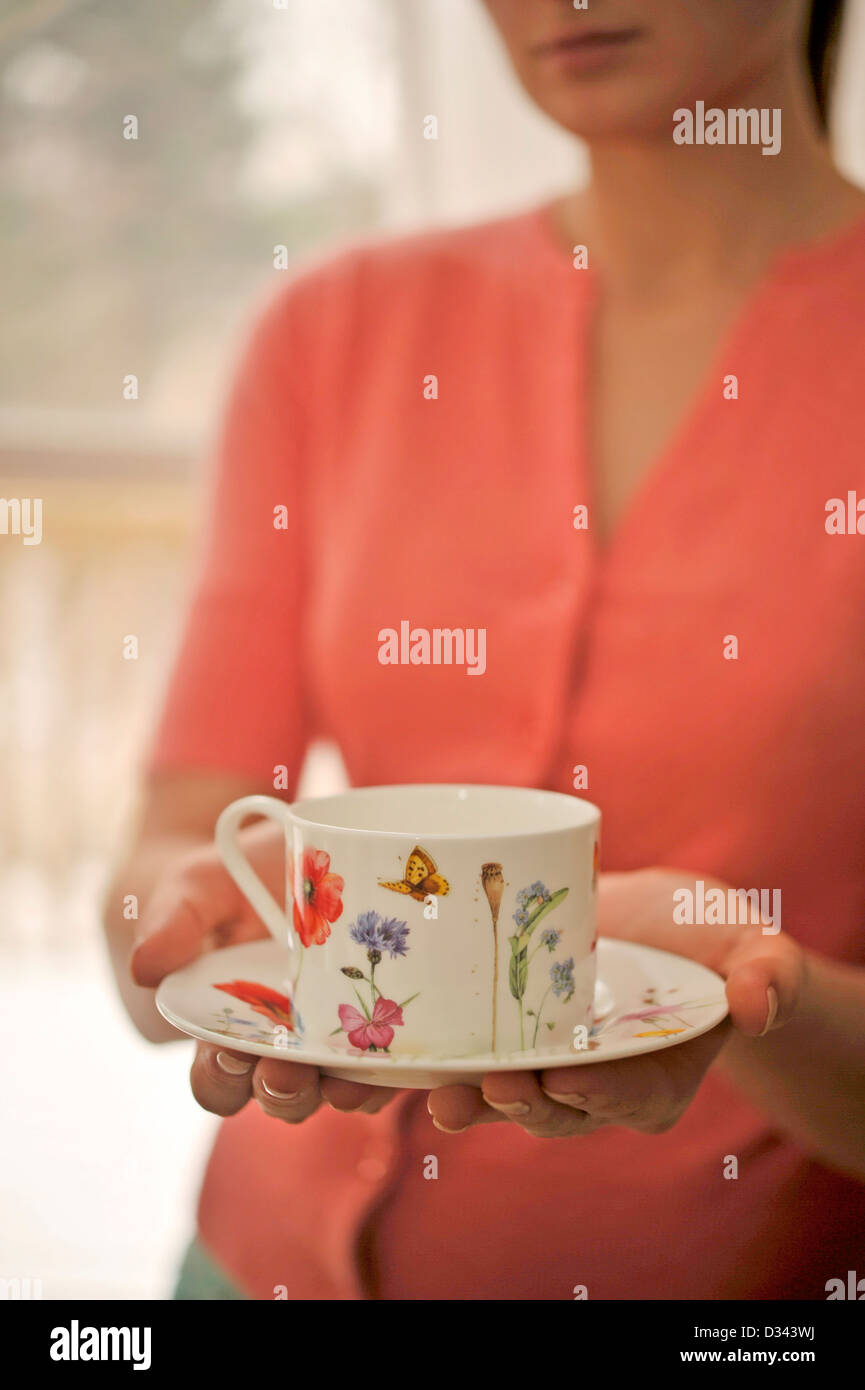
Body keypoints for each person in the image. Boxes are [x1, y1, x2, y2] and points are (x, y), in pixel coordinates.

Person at [105, 0, 865, 1300]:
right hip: (248, 1270)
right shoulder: (331, 332)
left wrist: (762, 999)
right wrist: (187, 926)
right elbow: (177, 823)